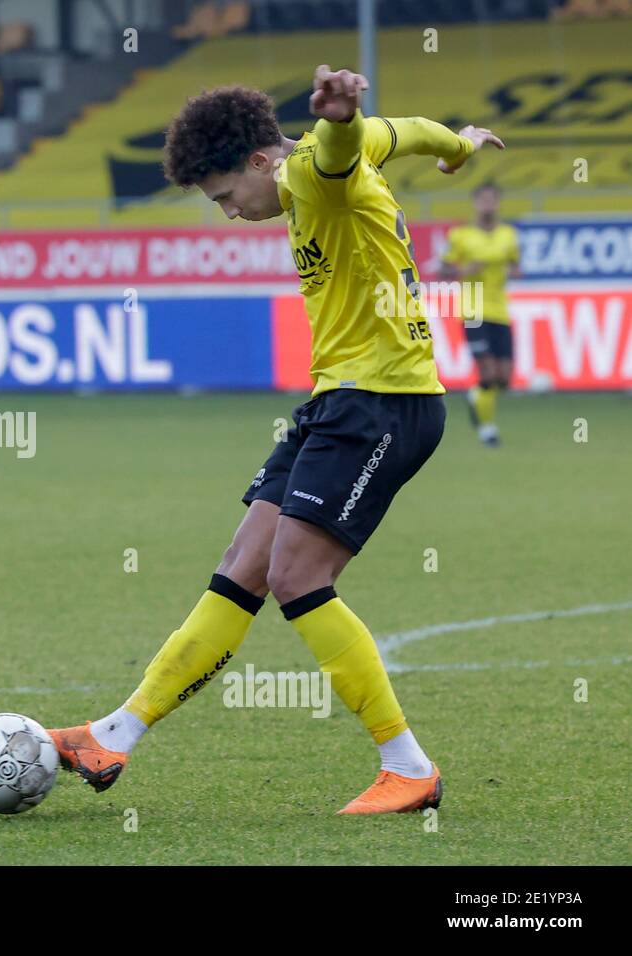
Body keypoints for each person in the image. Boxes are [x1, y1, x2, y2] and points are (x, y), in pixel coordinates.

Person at [46, 66, 504, 814]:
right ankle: (113, 734)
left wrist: (340, 115)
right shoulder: (318, 166)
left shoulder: (316, 175)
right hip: (339, 400)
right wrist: (457, 145)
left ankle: (408, 766)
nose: (229, 214)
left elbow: (339, 148)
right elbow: (407, 131)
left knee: (297, 576)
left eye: (227, 197)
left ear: (262, 162)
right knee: (244, 564)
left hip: (383, 401)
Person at [440, 182, 520, 446]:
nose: (488, 204)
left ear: (498, 202)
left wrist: (515, 271)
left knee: (504, 378)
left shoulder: (508, 234)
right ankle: (487, 429)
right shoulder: (460, 235)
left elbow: (515, 264)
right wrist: (465, 269)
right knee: (486, 372)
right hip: (473, 309)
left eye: (492, 200)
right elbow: (443, 270)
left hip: (500, 311)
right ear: (475, 203)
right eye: (483, 200)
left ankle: (475, 396)